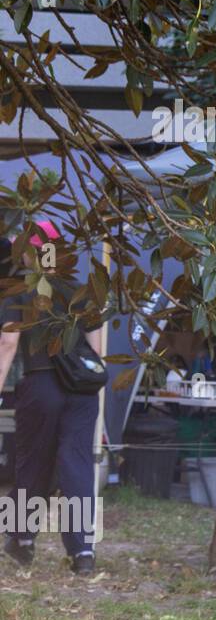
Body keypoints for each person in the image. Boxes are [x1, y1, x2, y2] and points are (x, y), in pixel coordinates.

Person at [0, 224, 102, 576]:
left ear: (30, 252)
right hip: (82, 387)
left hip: (41, 383)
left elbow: (7, 344)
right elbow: (95, 343)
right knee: (77, 465)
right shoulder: (77, 287)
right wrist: (84, 376)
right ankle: (83, 552)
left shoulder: (21, 292)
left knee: (30, 463)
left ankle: (21, 541)